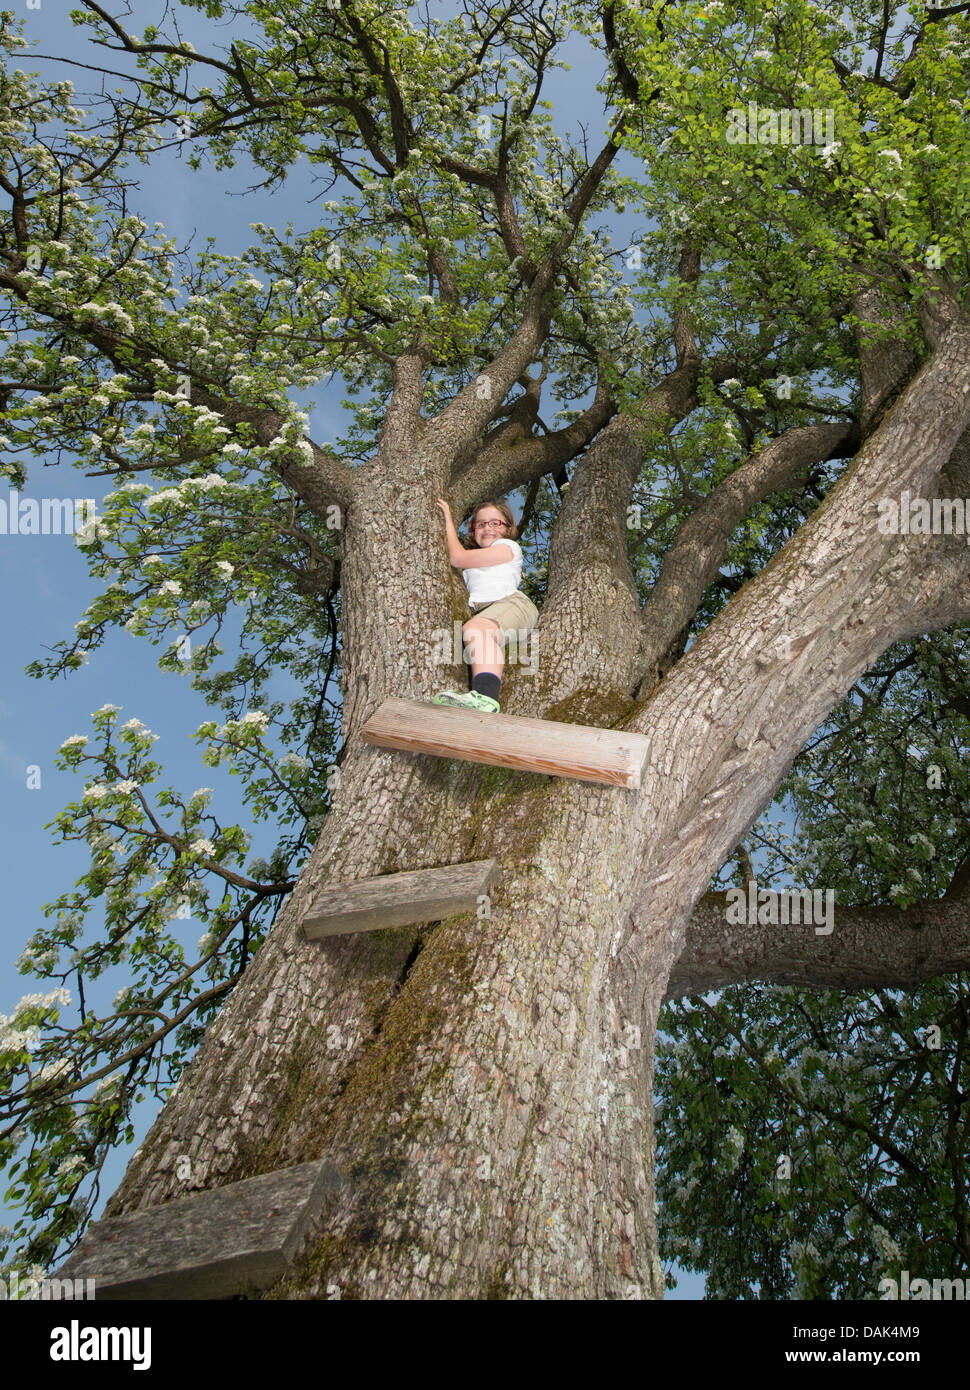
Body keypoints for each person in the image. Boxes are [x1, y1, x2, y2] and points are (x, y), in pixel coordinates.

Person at [433, 497, 539, 712]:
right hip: (489, 611)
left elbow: (457, 558)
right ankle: (483, 694)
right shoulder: (473, 567)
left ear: (508, 528)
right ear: (473, 531)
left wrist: (447, 521)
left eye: (495, 523)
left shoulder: (507, 546)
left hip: (511, 603)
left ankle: (485, 698)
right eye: (480, 524)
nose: (487, 528)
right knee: (476, 633)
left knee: (475, 629)